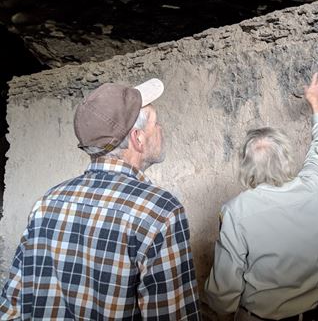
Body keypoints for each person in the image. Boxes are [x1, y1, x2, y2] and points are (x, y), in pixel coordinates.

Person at [0, 78, 201, 320]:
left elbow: (11, 306)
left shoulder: (46, 203)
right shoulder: (161, 212)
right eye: (156, 123)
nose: (160, 129)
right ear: (138, 139)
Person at [205, 73, 318, 321]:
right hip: (316, 313)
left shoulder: (236, 211)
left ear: (246, 166)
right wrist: (315, 104)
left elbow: (224, 293)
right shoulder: (313, 186)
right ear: (286, 158)